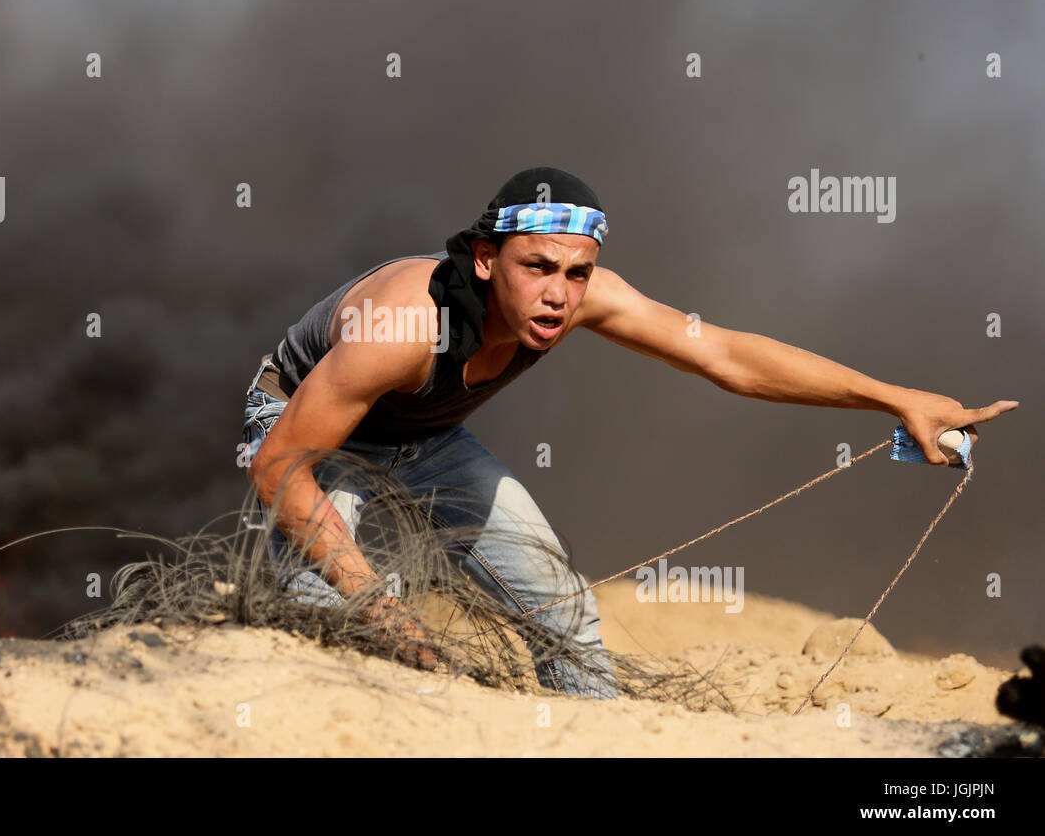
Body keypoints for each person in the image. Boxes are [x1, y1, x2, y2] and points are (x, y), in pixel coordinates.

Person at [239, 165, 1019, 700]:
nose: (558, 295)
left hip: (426, 439)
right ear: (485, 258)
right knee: (337, 624)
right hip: (312, 433)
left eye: (576, 273)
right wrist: (379, 604)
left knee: (564, 610)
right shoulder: (404, 328)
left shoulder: (586, 297)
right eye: (537, 267)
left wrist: (893, 398)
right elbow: (279, 466)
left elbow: (725, 355)